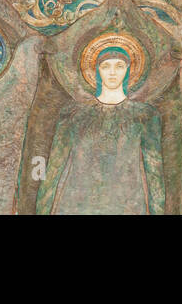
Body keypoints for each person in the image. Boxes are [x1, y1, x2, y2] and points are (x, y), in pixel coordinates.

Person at [37, 33, 165, 214]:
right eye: (106, 66)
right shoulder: (74, 113)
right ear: (96, 70)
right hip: (76, 204)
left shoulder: (145, 115)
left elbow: (154, 170)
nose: (112, 72)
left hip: (127, 203)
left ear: (128, 70)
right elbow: (54, 167)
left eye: (119, 66)